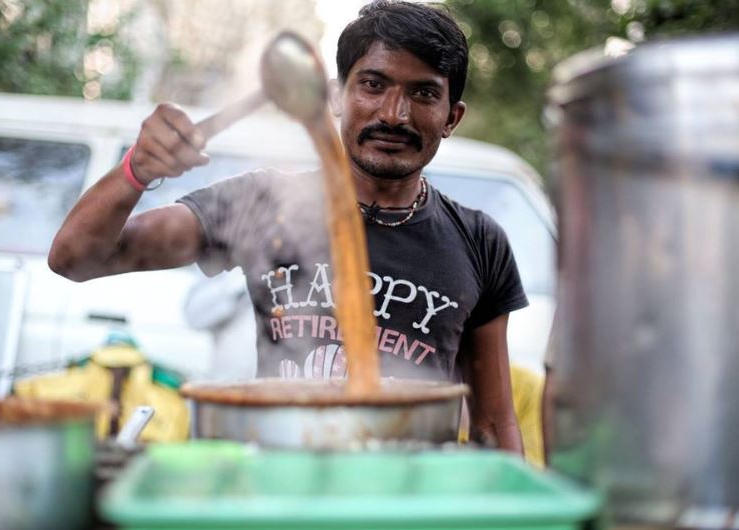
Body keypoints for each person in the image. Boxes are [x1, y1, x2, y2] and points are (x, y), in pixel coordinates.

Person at [49, 0, 528, 454]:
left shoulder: (479, 241)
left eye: (423, 93)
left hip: (407, 499)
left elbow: (491, 421)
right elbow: (75, 259)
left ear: (452, 117)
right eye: (373, 84)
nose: (393, 114)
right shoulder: (261, 205)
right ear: (338, 96)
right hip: (282, 485)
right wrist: (138, 169)